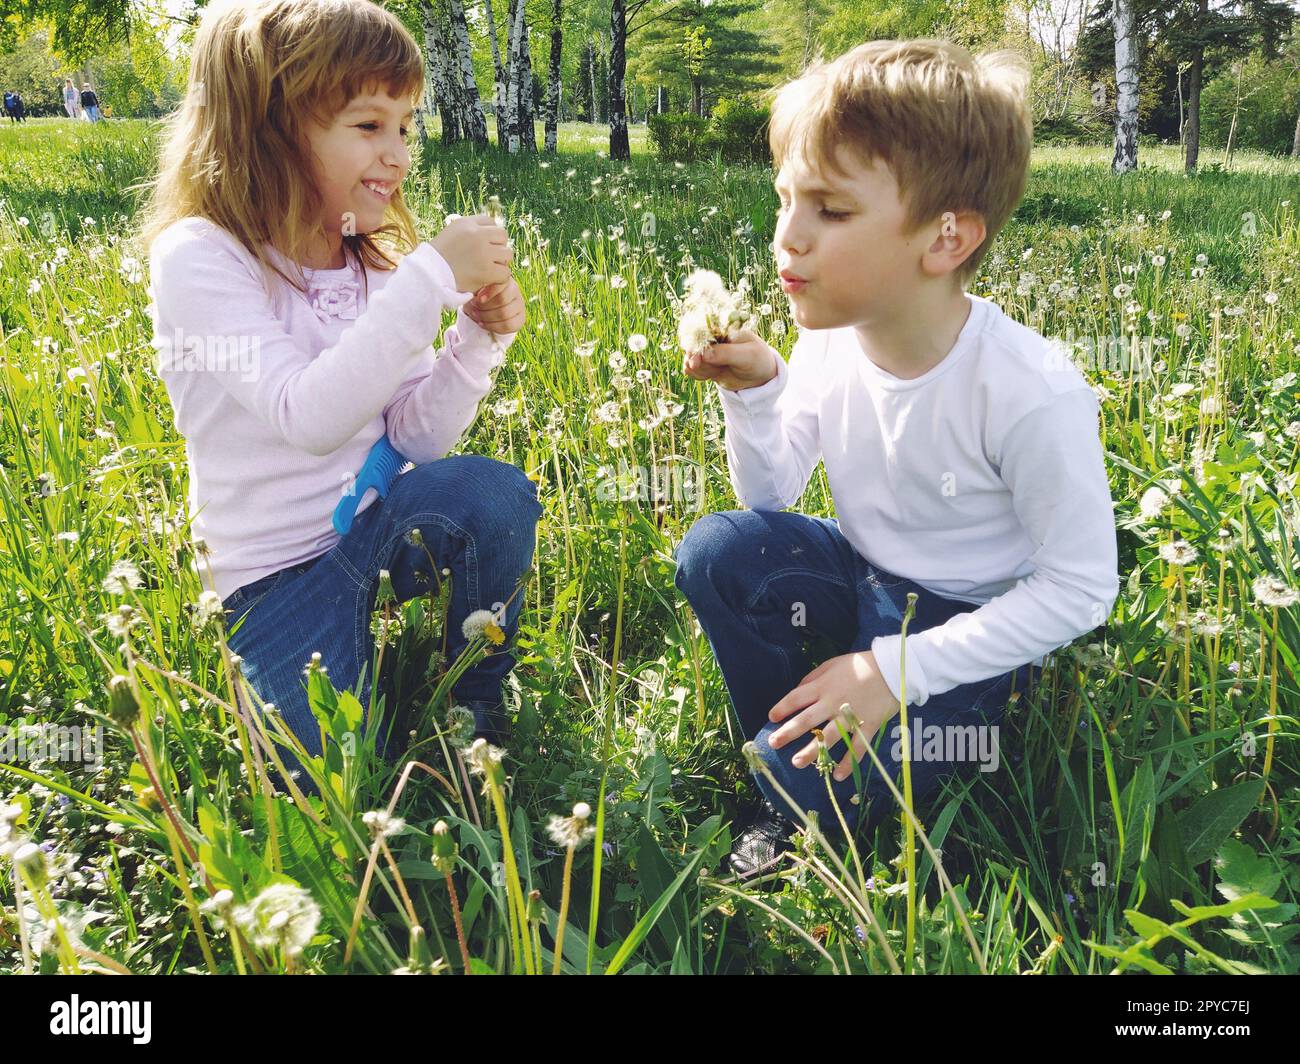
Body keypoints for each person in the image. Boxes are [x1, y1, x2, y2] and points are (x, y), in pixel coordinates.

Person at [673, 39, 1119, 878]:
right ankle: (791, 731)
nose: (787, 239)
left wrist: (899, 669)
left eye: (830, 211)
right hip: (863, 580)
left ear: (946, 239)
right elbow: (767, 499)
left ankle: (800, 773)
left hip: (968, 628)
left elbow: (1082, 587)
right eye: (785, 201)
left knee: (831, 786)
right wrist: (758, 390)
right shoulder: (835, 344)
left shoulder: (1028, 388)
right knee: (721, 551)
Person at [140, 0, 536, 795]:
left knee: (493, 493)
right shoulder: (201, 257)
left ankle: (477, 703)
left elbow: (416, 439)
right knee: (335, 784)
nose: (397, 155)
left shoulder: (372, 266)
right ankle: (327, 656)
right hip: (273, 580)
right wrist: (429, 277)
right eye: (368, 126)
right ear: (269, 127)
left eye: (405, 126)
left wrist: (477, 341)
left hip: (375, 531)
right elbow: (308, 415)